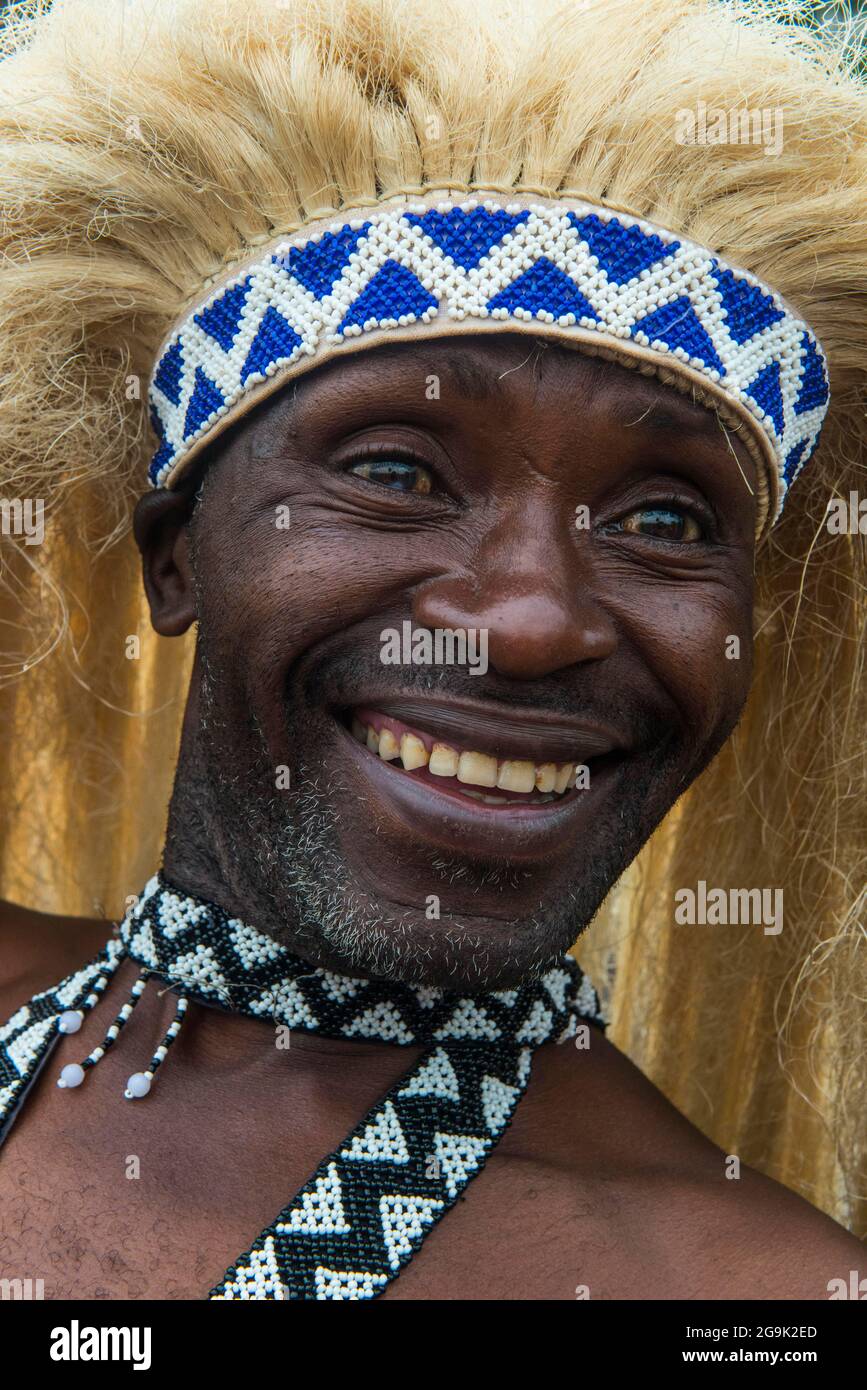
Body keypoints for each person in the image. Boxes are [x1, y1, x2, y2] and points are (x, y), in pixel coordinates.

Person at [0, 0, 863, 1300]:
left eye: (665, 519)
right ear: (177, 556)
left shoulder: (755, 1296)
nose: (530, 622)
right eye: (396, 470)